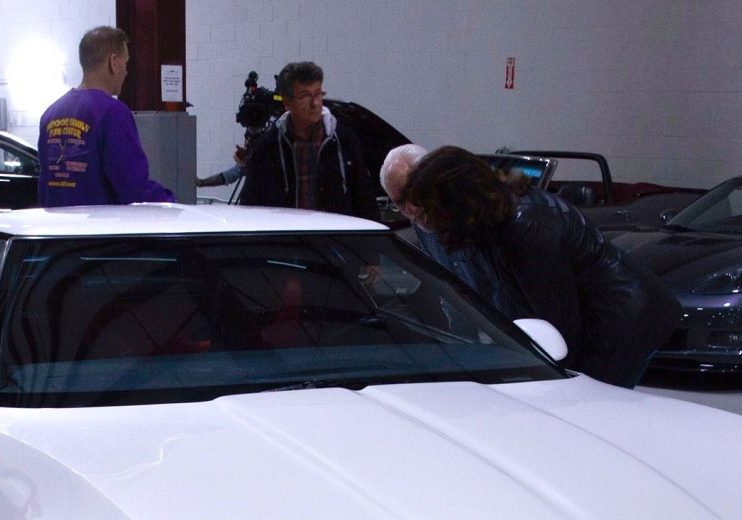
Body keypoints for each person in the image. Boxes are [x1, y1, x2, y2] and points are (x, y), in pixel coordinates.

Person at [402, 146, 679, 388]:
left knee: (590, 403)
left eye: (426, 209)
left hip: (623, 321)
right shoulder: (493, 217)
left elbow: (559, 328)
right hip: (600, 317)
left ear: (456, 201)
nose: (421, 220)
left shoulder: (527, 230)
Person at [37, 26, 175, 207]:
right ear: (113, 62)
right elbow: (134, 188)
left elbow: (45, 186)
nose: (126, 71)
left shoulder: (51, 114)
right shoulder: (112, 112)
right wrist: (170, 203)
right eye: (126, 63)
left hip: (58, 224)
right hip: (100, 224)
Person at [237, 61, 378, 219]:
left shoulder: (344, 139)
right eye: (305, 96)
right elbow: (250, 206)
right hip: (286, 233)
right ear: (287, 102)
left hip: (335, 233)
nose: (315, 103)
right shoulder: (267, 145)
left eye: (318, 94)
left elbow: (365, 201)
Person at [379, 142, 480, 290]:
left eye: (413, 193)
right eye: (400, 203)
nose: (412, 209)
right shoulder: (423, 229)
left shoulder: (472, 219)